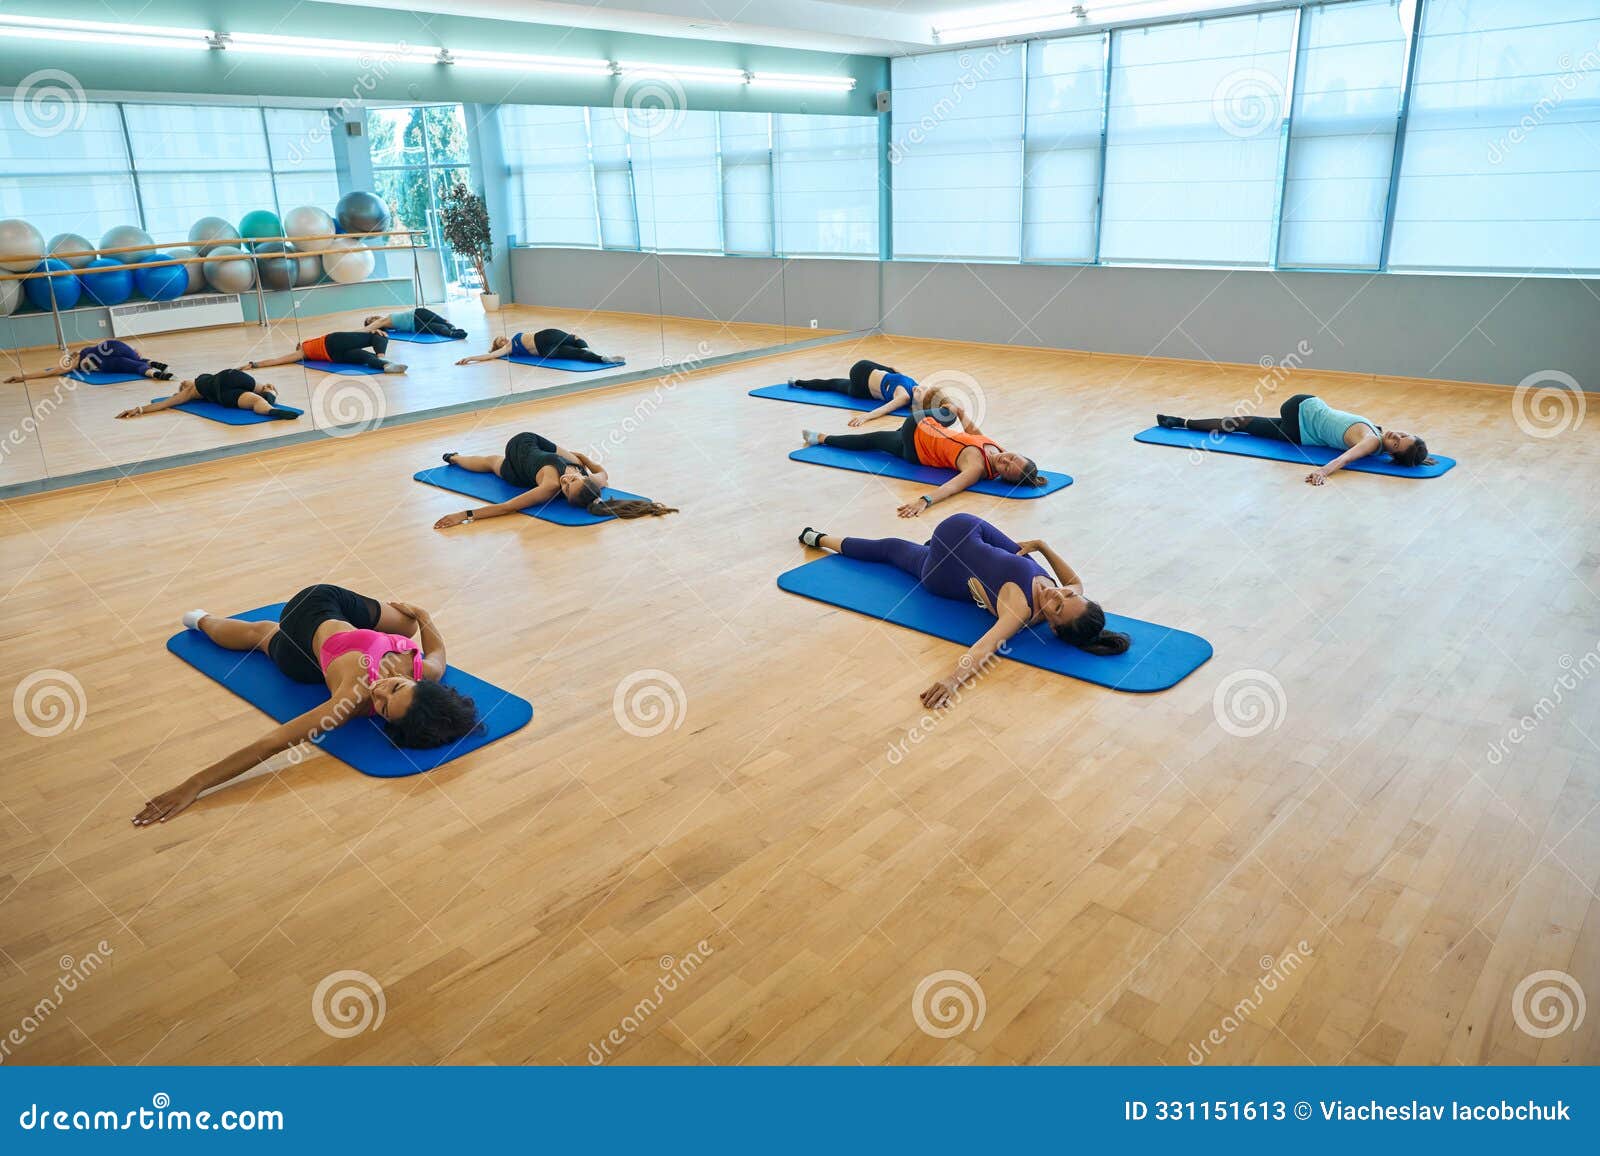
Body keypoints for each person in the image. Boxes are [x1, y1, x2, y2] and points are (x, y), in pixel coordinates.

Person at [133, 587, 481, 826]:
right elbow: (438, 653)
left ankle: (202, 620)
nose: (379, 692)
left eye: (384, 708)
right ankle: (382, 630)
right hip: (319, 603)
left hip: (302, 634)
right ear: (418, 682)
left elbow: (271, 743)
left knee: (261, 634)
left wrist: (195, 784)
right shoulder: (427, 671)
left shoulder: (349, 700)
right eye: (395, 687)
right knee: (407, 623)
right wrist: (423, 615)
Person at [797, 514, 1130, 708]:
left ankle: (820, 538)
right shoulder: (1071, 594)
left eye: (1056, 605)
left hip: (941, 570)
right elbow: (1076, 583)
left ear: (1053, 627)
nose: (1057, 592)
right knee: (913, 548)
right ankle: (929, 549)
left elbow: (986, 646)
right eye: (1066, 594)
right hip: (970, 531)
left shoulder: (1018, 610)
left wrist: (953, 680)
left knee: (890, 549)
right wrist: (1042, 546)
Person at [802, 410, 1046, 517]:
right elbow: (974, 434)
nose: (1005, 460)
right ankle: (821, 438)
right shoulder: (997, 449)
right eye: (1013, 457)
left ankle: (923, 397)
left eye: (1006, 467)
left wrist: (924, 501)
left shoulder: (977, 467)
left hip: (914, 444)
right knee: (871, 440)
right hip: (921, 432)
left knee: (940, 412)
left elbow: (952, 487)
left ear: (1001, 476)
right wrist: (962, 413)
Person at [1156, 394, 1433, 485]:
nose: (1396, 436)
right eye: (1404, 434)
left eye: (1398, 443)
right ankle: (1180, 422)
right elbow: (1395, 450)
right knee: (1245, 424)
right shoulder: (1380, 440)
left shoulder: (1371, 442)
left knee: (1244, 423)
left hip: (1301, 417)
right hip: (1301, 420)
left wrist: (1322, 471)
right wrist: (1417, 458)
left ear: (1392, 453)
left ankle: (1180, 422)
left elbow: (1345, 458)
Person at [433, 431, 676, 527]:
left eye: (567, 489)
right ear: (586, 479)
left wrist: (464, 515)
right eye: (573, 480)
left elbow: (508, 507)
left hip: (518, 460)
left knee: (491, 463)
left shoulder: (549, 486)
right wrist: (582, 460)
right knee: (573, 458)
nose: (565, 482)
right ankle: (573, 462)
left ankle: (454, 458)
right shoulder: (594, 481)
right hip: (534, 441)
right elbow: (603, 472)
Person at [115, 369, 298, 420]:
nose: (183, 384)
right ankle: (270, 396)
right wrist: (139, 409)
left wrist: (139, 409)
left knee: (255, 402)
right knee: (259, 393)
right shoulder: (195, 385)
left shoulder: (191, 391)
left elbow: (165, 404)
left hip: (222, 388)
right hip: (232, 375)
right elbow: (164, 403)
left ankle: (270, 409)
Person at [5, 339, 172, 382]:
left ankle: (154, 372)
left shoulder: (78, 360)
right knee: (135, 360)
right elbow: (52, 370)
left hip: (107, 357)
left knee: (133, 364)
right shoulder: (82, 354)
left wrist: (23, 376)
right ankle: (152, 365)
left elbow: (53, 371)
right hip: (110, 348)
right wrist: (23, 377)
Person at [242, 331, 406, 374]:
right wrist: (254, 364)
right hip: (332, 341)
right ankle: (383, 358)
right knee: (377, 336)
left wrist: (254, 364)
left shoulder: (305, 352)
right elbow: (279, 360)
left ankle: (386, 365)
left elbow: (278, 360)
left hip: (335, 357)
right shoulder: (304, 349)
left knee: (366, 357)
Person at [454, 330, 623, 368]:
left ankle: (602, 359)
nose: (504, 339)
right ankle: (589, 349)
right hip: (544, 339)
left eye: (502, 337)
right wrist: (469, 358)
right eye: (500, 341)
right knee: (573, 338)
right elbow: (488, 356)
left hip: (548, 351)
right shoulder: (508, 348)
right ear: (499, 346)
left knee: (577, 354)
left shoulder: (512, 343)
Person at [363, 307, 467, 340]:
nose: (372, 318)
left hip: (418, 314)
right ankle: (453, 334)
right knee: (439, 327)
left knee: (444, 322)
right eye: (370, 320)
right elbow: (365, 330)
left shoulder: (387, 321)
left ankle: (453, 329)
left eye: (371, 317)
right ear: (372, 325)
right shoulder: (382, 323)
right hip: (415, 326)